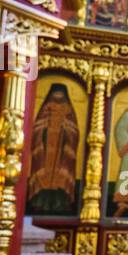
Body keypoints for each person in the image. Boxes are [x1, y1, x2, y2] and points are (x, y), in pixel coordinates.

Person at [27, 84, 80, 214]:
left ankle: (60, 204)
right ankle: (39, 203)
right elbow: (36, 128)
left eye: (60, 93)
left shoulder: (68, 109)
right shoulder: (46, 107)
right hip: (45, 151)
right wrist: (45, 126)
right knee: (43, 176)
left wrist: (66, 126)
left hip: (61, 151)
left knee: (59, 178)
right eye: (56, 93)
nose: (58, 96)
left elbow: (74, 131)